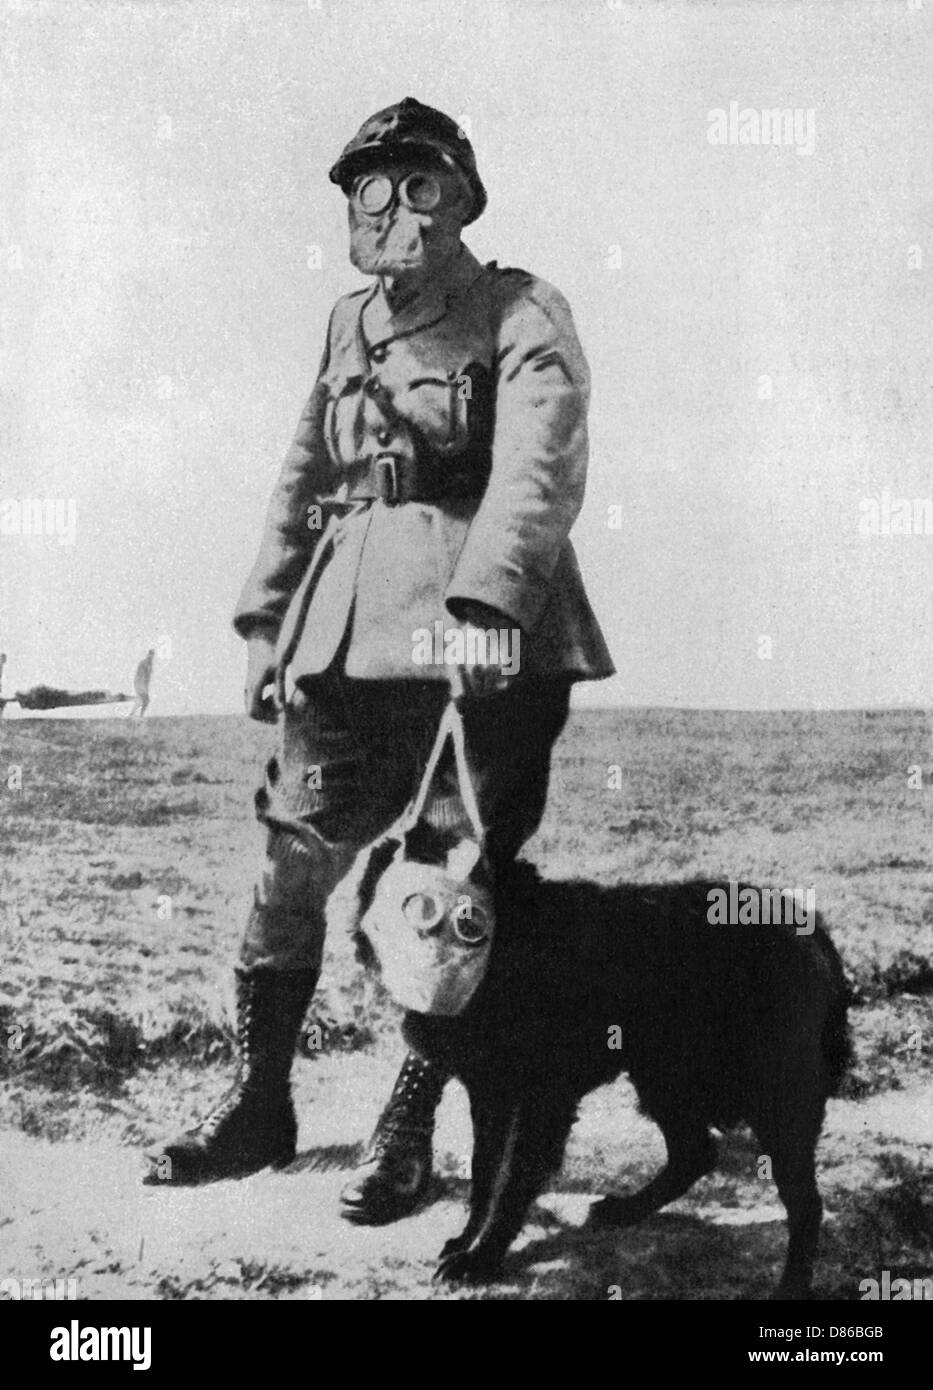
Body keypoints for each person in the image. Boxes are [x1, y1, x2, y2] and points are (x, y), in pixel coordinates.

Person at [146, 98, 614, 1222]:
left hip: (478, 633)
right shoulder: (346, 322)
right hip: (343, 626)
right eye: (370, 186)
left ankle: (407, 1125)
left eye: (418, 183)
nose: (391, 206)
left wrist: (494, 602)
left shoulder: (517, 307)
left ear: (461, 198)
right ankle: (260, 1103)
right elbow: (306, 471)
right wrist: (266, 622)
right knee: (294, 857)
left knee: (449, 884)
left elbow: (542, 458)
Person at [130, 649, 155, 717]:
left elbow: (148, 677)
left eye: (152, 655)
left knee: (144, 701)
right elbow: (141, 675)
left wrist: (146, 687)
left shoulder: (150, 664)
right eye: (150, 654)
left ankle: (137, 714)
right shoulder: (144, 663)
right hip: (140, 684)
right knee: (144, 700)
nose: (151, 656)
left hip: (143, 685)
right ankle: (136, 714)